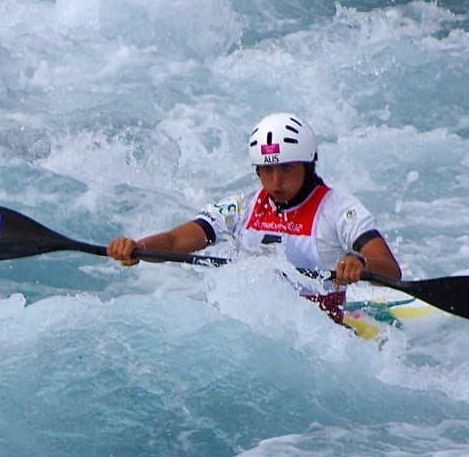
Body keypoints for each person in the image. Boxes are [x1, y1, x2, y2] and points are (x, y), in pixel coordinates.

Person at [107, 112, 401, 320]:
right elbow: (174, 241)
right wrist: (139, 249)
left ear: (308, 166)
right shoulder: (242, 206)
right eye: (266, 171)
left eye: (287, 169)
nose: (276, 182)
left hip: (318, 335)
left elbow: (389, 268)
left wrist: (360, 262)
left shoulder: (339, 209)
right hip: (252, 328)